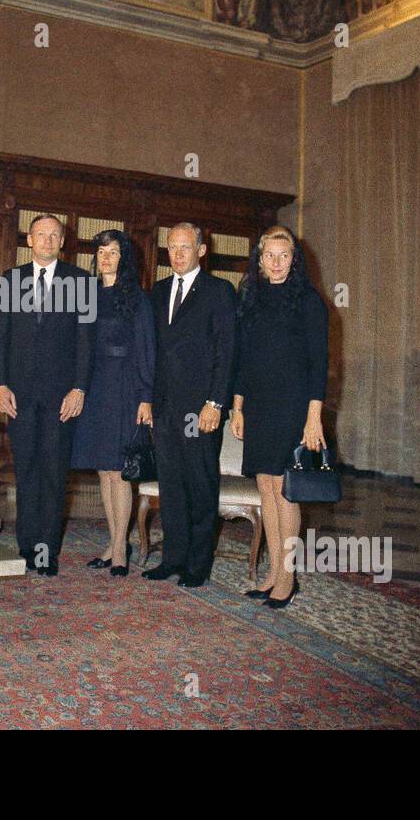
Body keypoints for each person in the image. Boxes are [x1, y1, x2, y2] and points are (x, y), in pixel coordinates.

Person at [231, 225, 328, 609]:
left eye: (283, 255)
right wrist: (237, 407)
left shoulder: (308, 301)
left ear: (294, 259)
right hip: (257, 404)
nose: (275, 263)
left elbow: (319, 365)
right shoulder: (250, 297)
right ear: (259, 260)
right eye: (268, 255)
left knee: (286, 489)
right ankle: (272, 572)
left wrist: (313, 418)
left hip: (293, 404)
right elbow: (242, 358)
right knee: (266, 488)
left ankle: (287, 577)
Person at [0, 213, 92, 575]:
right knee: (27, 468)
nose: (47, 240)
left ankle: (47, 553)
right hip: (18, 395)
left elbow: (85, 343)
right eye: (40, 234)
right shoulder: (9, 281)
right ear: (29, 240)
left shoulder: (82, 282)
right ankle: (26, 546)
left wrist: (79, 388)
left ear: (63, 241)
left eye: (54, 235)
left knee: (53, 471)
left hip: (61, 397)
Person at [144, 223, 236, 588]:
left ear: (201, 249)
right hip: (165, 407)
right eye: (172, 248)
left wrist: (215, 402)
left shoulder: (219, 292)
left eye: (185, 247)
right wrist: (148, 400)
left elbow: (226, 353)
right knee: (171, 486)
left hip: (201, 409)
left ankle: (198, 565)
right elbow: (153, 352)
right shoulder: (159, 291)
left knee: (200, 484)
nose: (178, 254)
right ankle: (172, 559)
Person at [71, 229, 154, 577]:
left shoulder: (137, 297)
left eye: (114, 252)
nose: (106, 258)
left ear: (124, 257)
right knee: (105, 470)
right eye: (101, 251)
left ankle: (121, 547)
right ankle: (112, 541)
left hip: (125, 387)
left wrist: (146, 397)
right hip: (96, 387)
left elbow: (147, 349)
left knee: (121, 472)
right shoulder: (87, 294)